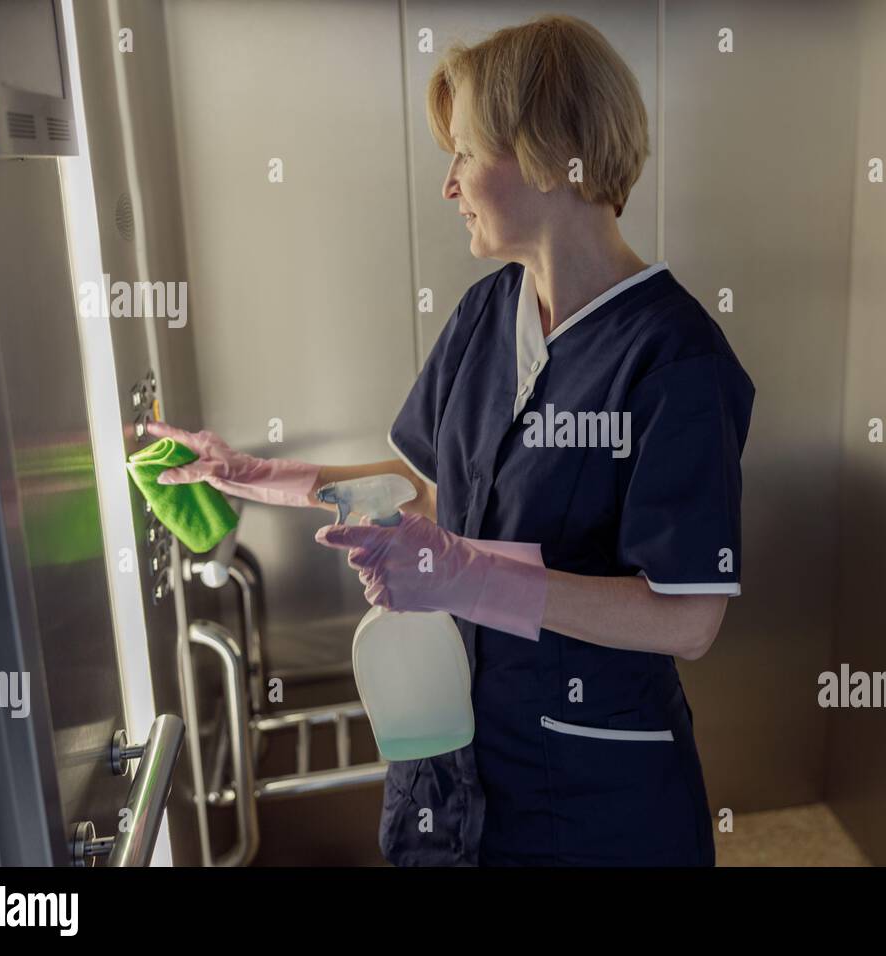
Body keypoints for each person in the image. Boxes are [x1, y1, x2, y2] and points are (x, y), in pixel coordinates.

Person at [149, 14, 754, 866]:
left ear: (547, 154)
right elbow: (435, 498)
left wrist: (463, 574)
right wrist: (259, 476)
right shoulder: (486, 313)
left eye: (464, 153)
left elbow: (689, 616)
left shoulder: (674, 358)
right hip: (462, 760)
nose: (450, 184)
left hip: (595, 791)